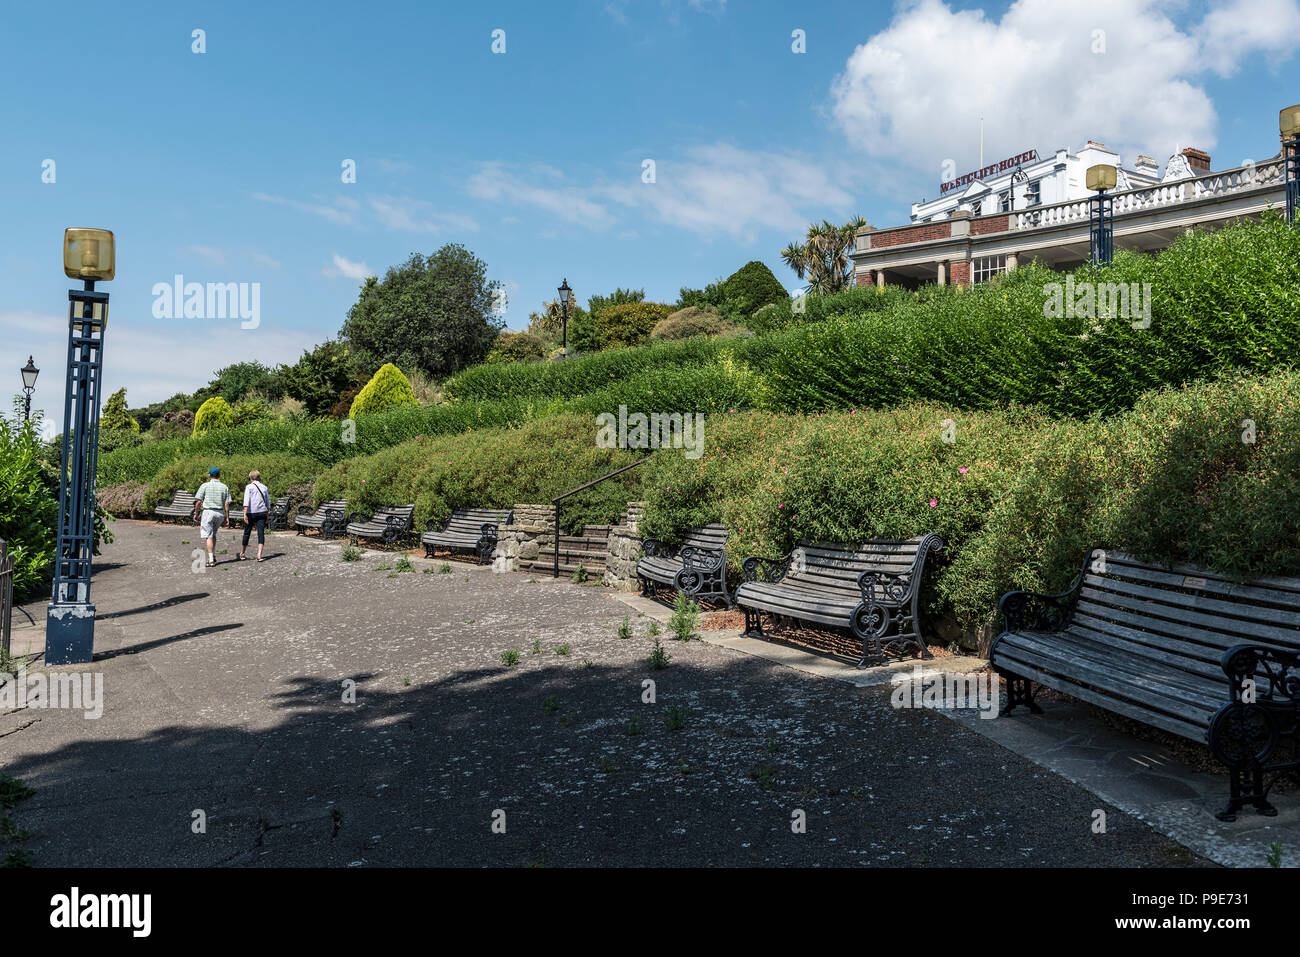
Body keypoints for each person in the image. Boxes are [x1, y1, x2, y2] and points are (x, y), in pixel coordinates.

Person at [192, 467, 231, 567]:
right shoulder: (224, 487)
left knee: (208, 536)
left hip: (208, 512)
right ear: (219, 476)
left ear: (209, 475)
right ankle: (212, 555)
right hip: (219, 513)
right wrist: (227, 517)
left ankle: (210, 560)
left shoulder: (205, 485)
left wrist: (196, 513)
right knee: (213, 534)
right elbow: (226, 504)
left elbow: (199, 502)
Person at [239, 470, 271, 562]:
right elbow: (268, 502)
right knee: (261, 533)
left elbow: (246, 501)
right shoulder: (264, 487)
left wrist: (244, 514)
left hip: (251, 513)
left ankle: (242, 553)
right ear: (259, 477)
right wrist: (267, 514)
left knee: (247, 532)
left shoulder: (249, 487)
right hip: (262, 512)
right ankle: (259, 554)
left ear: (250, 478)